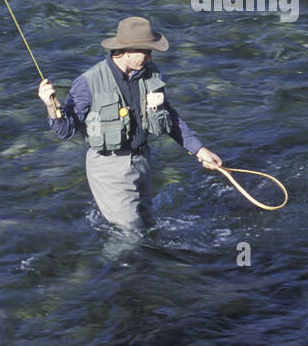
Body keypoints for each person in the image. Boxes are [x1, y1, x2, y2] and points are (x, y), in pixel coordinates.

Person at [37, 16, 223, 230]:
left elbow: (168, 115)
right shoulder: (87, 83)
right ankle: (111, 263)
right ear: (126, 51)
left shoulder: (151, 73)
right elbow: (65, 130)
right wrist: (51, 106)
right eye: (146, 51)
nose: (150, 56)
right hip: (109, 168)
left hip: (143, 161)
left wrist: (199, 150)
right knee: (130, 233)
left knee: (148, 227)